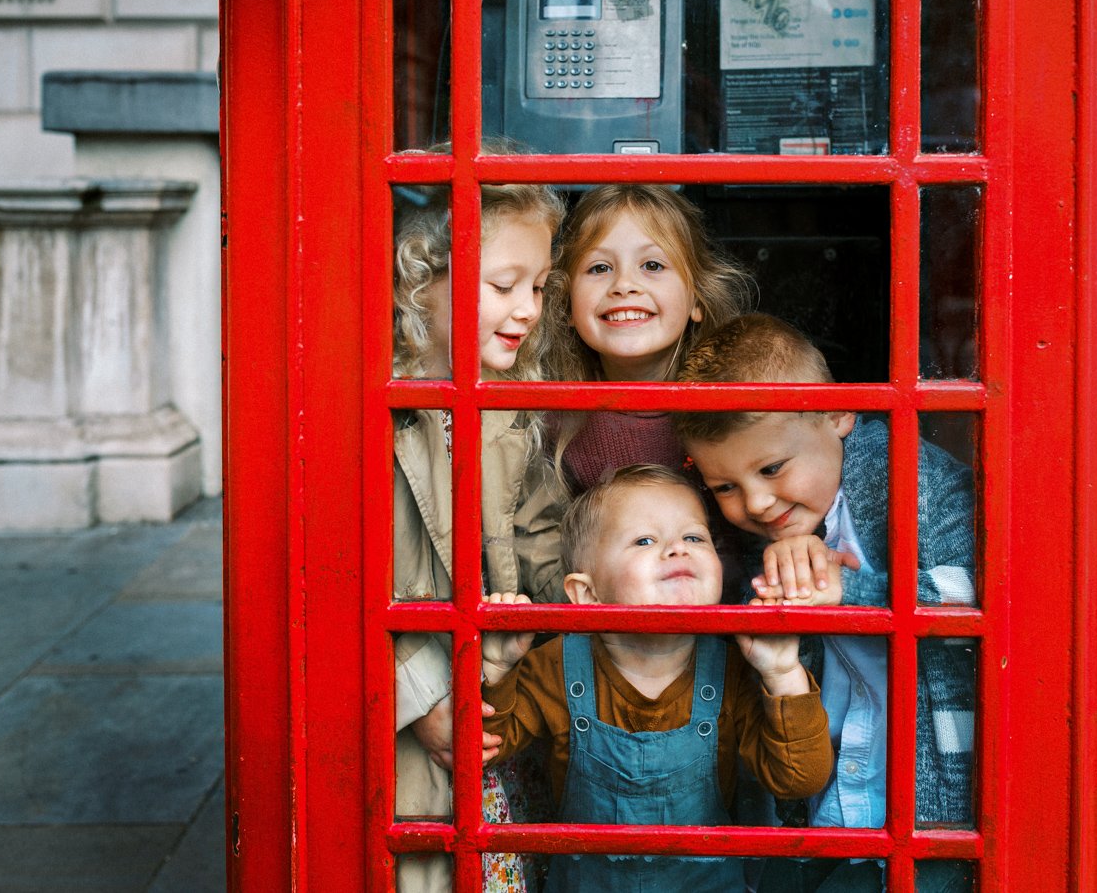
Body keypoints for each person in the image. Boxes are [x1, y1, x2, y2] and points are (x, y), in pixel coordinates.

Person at [675, 313, 977, 893]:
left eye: (771, 468)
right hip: (820, 811)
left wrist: (850, 593)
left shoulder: (915, 480)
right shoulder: (758, 535)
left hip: (932, 803)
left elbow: (981, 601)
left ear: (838, 414)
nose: (757, 502)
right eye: (726, 487)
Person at [480, 465, 834, 890]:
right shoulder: (556, 666)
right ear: (587, 595)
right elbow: (479, 751)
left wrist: (781, 672)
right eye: (645, 541)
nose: (677, 550)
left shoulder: (735, 670)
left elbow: (800, 781)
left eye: (694, 537)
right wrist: (497, 670)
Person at [390, 158, 569, 893]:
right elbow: (333, 574)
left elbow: (538, 540)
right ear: (419, 282)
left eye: (537, 288)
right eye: (503, 286)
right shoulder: (378, 409)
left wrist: (584, 591)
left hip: (498, 709)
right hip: (406, 731)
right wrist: (424, 699)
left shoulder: (513, 412)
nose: (526, 309)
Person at [544, 184, 754, 493]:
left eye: (652, 265)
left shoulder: (733, 406)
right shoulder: (551, 420)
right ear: (568, 306)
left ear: (696, 299)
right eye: (600, 267)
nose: (625, 285)